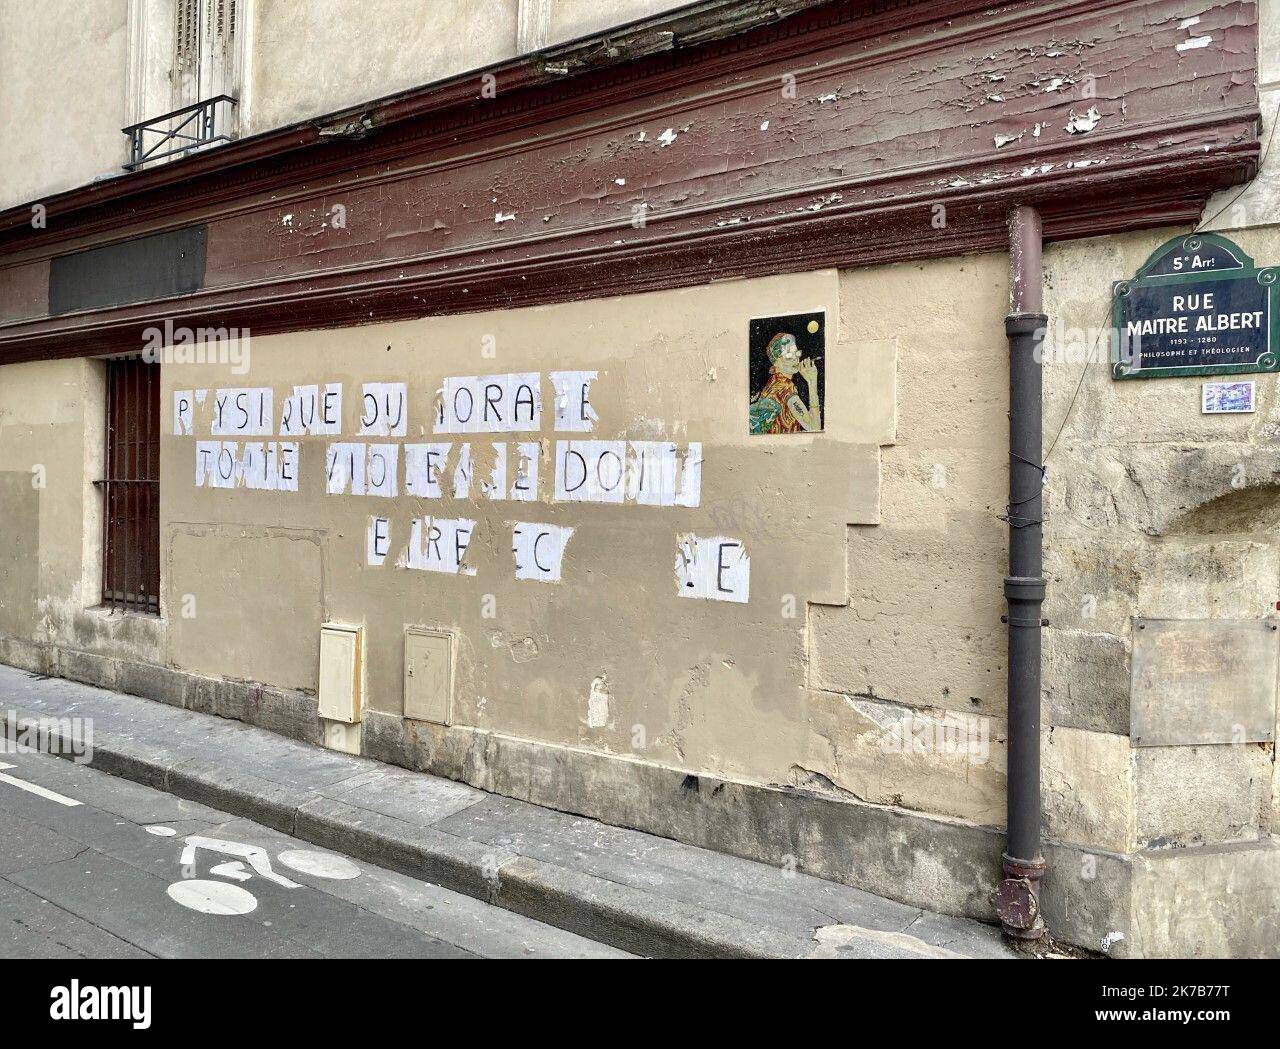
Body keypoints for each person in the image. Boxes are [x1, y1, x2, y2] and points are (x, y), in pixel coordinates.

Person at [749, 332, 821, 434]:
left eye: (796, 353)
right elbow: (814, 428)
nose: (795, 358)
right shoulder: (785, 387)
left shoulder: (772, 382)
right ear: (776, 361)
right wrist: (812, 382)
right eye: (788, 354)